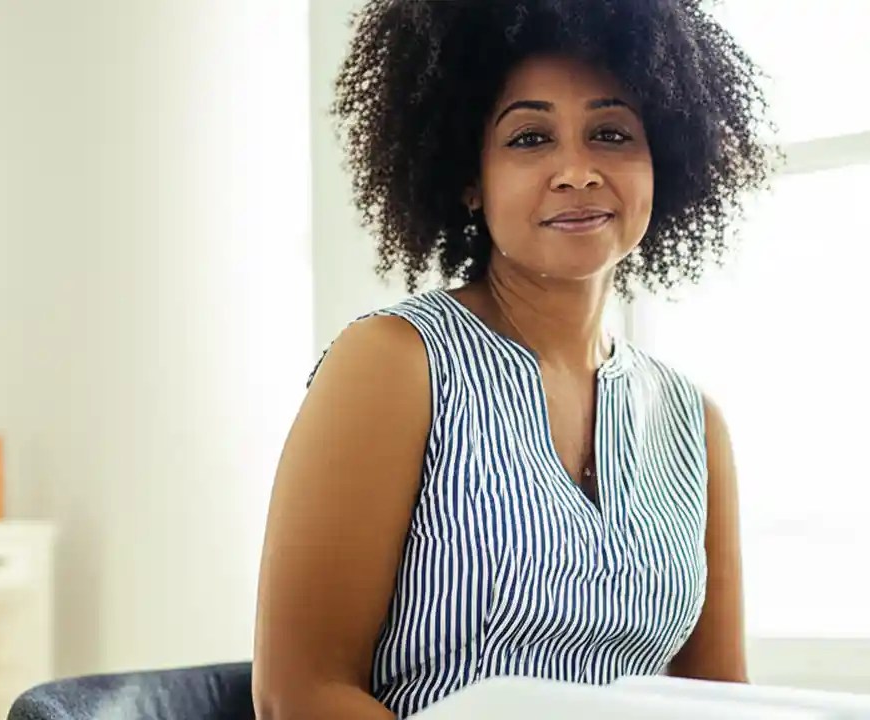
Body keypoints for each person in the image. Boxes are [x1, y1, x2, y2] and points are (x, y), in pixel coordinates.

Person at [252, 0, 775, 718]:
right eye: (530, 139)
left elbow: (716, 699)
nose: (577, 171)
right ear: (471, 179)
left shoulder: (693, 423)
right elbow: (299, 695)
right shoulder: (392, 365)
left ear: (665, 160)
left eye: (611, 133)